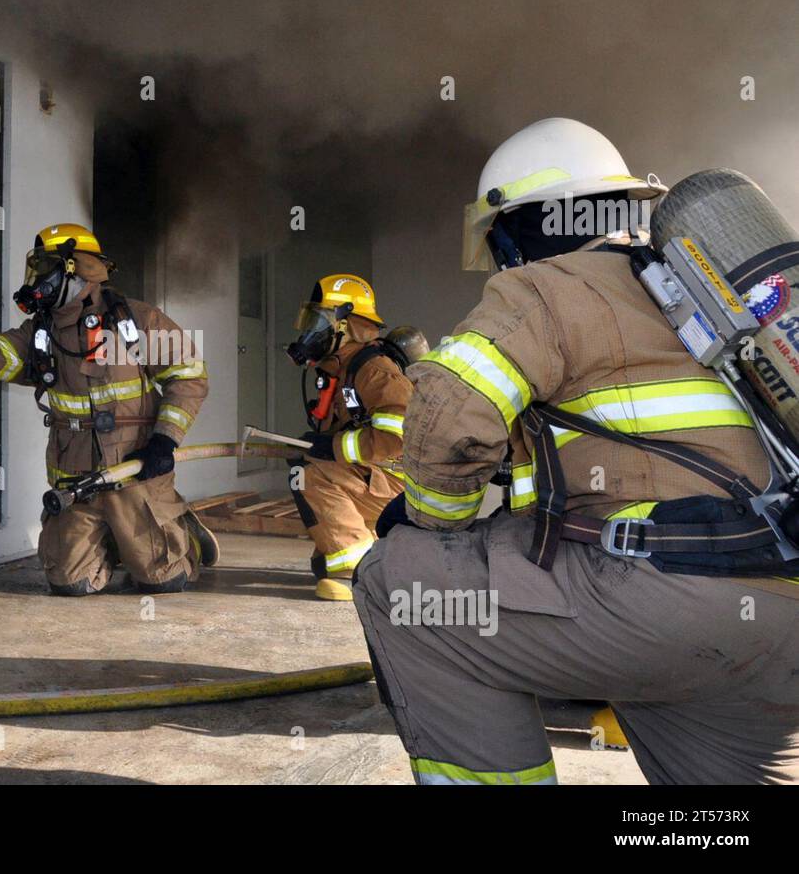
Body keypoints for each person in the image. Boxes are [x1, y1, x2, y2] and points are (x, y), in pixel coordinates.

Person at [353, 117, 799, 784]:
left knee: (399, 583)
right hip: (777, 610)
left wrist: (431, 517)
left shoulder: (548, 285)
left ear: (518, 225)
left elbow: (452, 413)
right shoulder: (700, 291)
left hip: (664, 601)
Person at [0, 223, 215, 595]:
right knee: (69, 583)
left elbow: (189, 376)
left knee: (163, 580)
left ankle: (185, 535)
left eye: (46, 267)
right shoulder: (39, 336)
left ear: (77, 268)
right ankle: (117, 542)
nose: (37, 279)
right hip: (74, 480)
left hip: (135, 473)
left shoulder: (137, 321)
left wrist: (164, 441)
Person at [285, 275, 417, 600]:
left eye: (320, 322)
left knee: (306, 473)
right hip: (383, 482)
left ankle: (357, 570)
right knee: (306, 466)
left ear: (346, 325)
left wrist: (331, 448)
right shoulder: (341, 370)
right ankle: (365, 548)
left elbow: (399, 435)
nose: (311, 332)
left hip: (404, 489)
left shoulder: (374, 370)